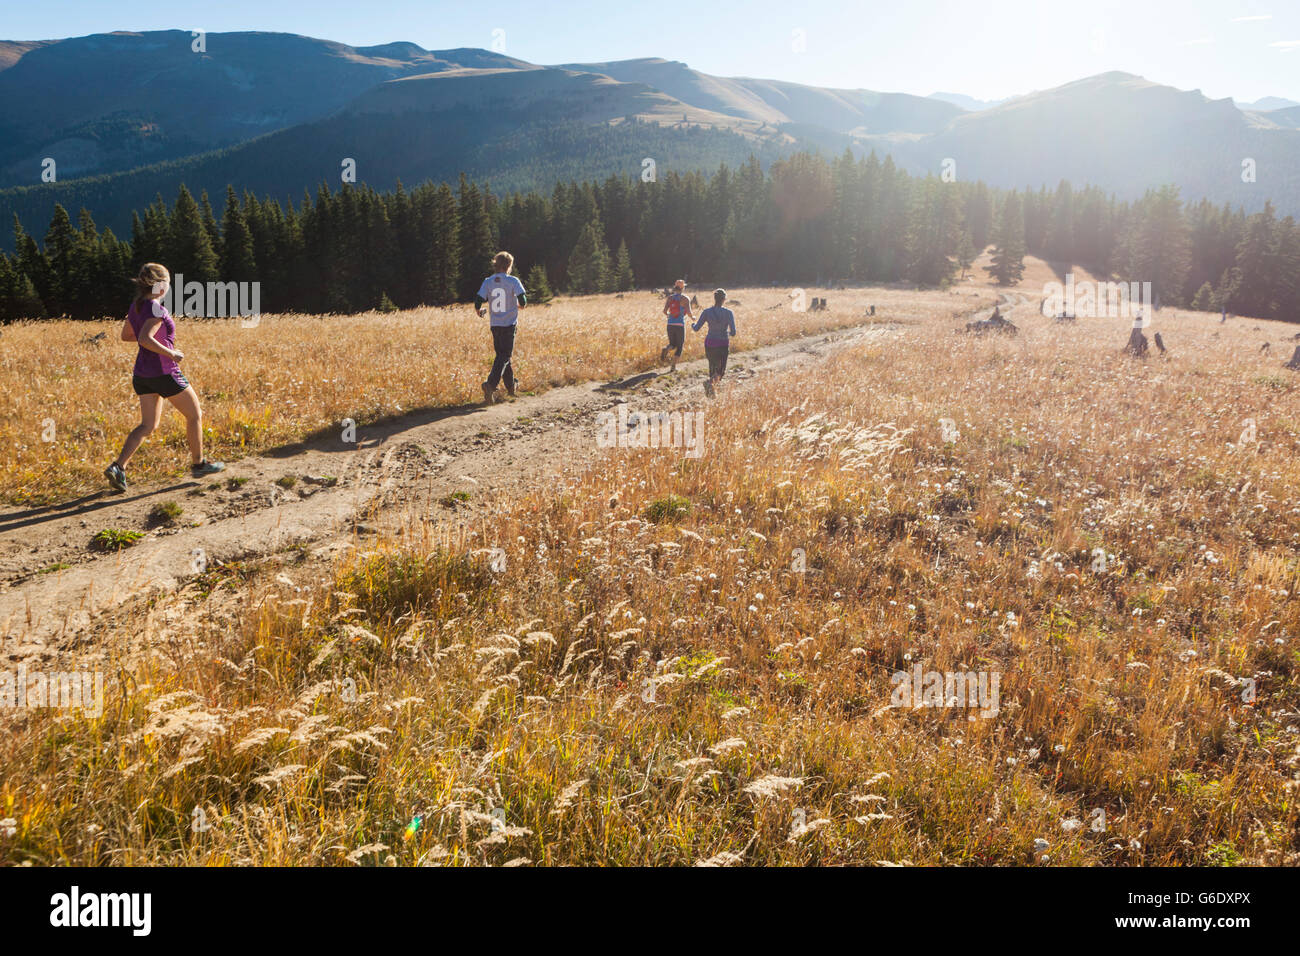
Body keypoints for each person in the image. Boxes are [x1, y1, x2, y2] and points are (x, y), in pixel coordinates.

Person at [104, 263, 224, 492]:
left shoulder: (136, 306)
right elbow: (144, 338)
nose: (169, 287)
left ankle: (118, 467)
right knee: (195, 414)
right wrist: (171, 352)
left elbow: (127, 336)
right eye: (168, 283)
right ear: (160, 284)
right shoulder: (156, 308)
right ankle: (199, 464)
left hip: (142, 374)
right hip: (164, 371)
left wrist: (151, 340)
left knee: (147, 425)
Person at [475, 251, 527, 403]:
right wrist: (520, 305)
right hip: (509, 325)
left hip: (495, 325)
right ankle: (490, 385)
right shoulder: (513, 281)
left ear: (495, 265)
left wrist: (479, 311)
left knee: (503, 357)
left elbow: (478, 300)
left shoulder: (488, 281)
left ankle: (511, 387)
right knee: (504, 356)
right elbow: (523, 300)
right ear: (509, 266)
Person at [692, 288, 736, 399]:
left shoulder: (706, 312)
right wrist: (727, 333)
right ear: (724, 299)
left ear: (714, 298)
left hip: (710, 343)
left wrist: (692, 324)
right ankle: (710, 386)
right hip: (723, 343)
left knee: (712, 367)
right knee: (721, 371)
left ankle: (711, 389)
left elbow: (696, 328)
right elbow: (733, 332)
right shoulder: (729, 313)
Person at [661, 279, 693, 370]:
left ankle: (667, 349)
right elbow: (689, 312)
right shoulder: (685, 298)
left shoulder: (670, 298)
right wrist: (693, 317)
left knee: (672, 344)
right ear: (683, 288)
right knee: (679, 347)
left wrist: (668, 316)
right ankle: (673, 367)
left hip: (670, 324)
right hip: (680, 325)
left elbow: (664, 311)